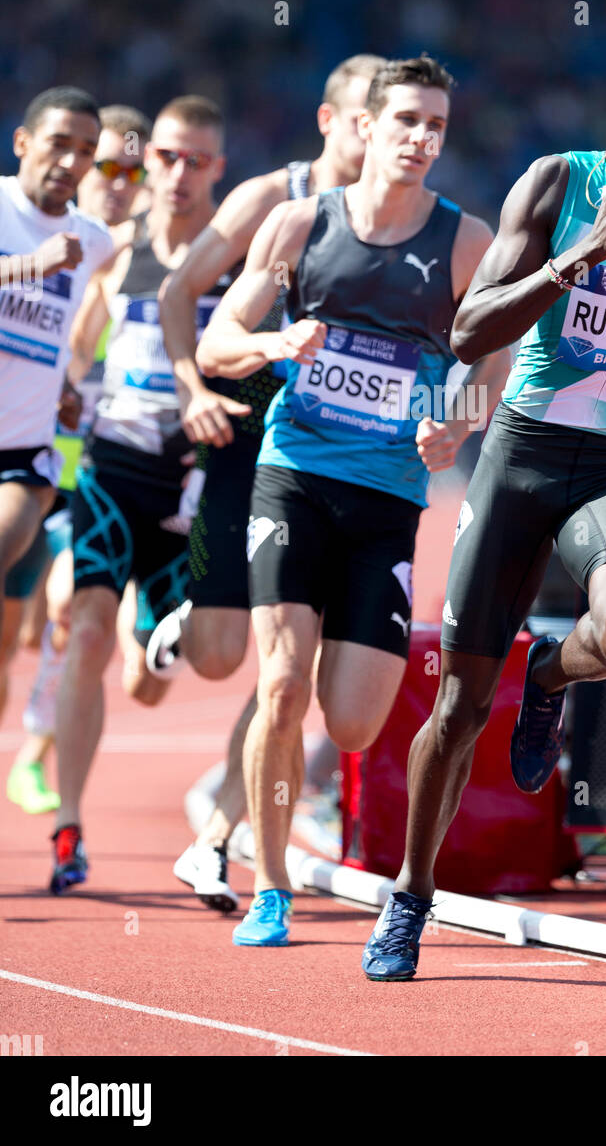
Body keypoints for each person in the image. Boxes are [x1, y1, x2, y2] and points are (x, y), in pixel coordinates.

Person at [361, 31, 606, 980]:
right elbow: (464, 334)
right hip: (526, 453)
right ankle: (410, 895)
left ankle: (551, 676)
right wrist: (583, 255)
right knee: (456, 707)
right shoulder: (554, 183)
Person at [195, 55, 510, 946]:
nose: (421, 138)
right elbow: (218, 340)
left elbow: (497, 355)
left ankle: (289, 814)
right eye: (406, 119)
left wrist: (460, 421)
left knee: (355, 720)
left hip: (387, 499)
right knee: (283, 684)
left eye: (436, 126)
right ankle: (270, 886)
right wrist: (272, 342)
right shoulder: (301, 224)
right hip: (292, 475)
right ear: (363, 127)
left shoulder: (463, 242)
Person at [153, 55, 385, 912]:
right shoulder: (270, 201)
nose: (381, 136)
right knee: (218, 658)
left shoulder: (401, 227)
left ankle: (216, 841)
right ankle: (174, 604)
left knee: (285, 668)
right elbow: (181, 293)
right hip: (243, 443)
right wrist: (193, 390)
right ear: (330, 121)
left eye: (392, 120)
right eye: (367, 118)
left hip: (322, 466)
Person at [50, 95, 227, 894]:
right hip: (113, 466)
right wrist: (60, 392)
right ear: (145, 158)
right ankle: (68, 827)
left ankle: (143, 624)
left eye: (196, 161)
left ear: (217, 168)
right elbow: (75, 348)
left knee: (148, 687)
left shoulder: (236, 252)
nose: (178, 174)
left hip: (191, 479)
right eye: (165, 157)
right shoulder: (116, 250)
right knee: (85, 636)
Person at [5, 106, 152, 814]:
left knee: (63, 610)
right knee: (21, 630)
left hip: (73, 471)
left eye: (132, 170)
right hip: (45, 456)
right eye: (110, 168)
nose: (118, 182)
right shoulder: (75, 243)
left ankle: (34, 754)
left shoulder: (129, 251)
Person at [0, 87, 114, 756]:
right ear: (22, 143)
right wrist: (26, 267)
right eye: (58, 144)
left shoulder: (93, 242)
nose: (71, 162)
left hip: (23, 453)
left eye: (86, 152)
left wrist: (66, 383)